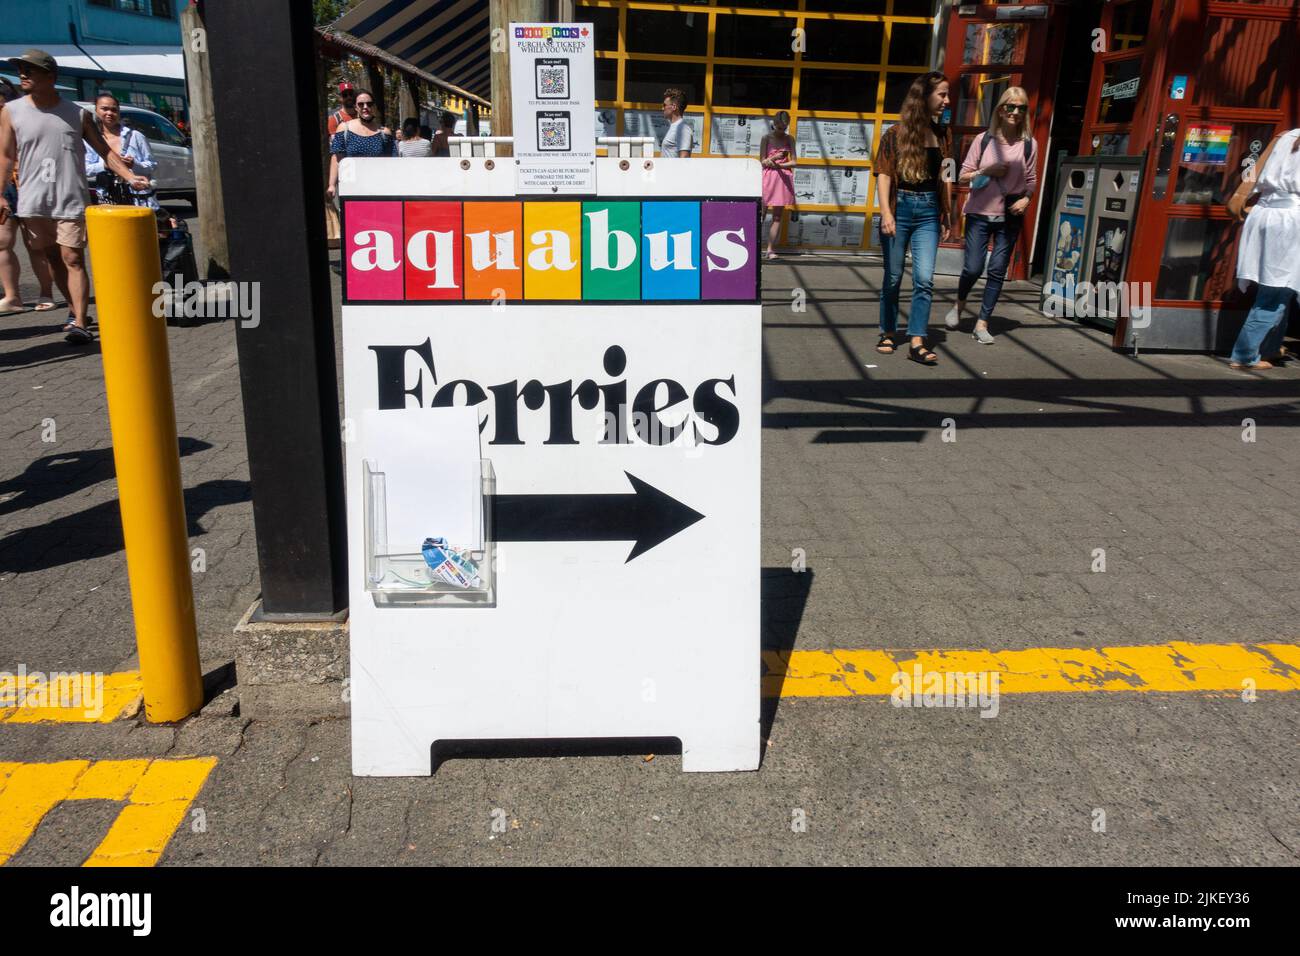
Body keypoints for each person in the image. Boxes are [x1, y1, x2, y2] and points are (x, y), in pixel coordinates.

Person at [0, 50, 147, 344]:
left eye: (31, 70)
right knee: (53, 256)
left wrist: (130, 177)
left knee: (73, 257)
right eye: (21, 69)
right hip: (33, 200)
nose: (23, 75)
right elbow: (5, 156)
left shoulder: (77, 113)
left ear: (51, 76)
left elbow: (105, 151)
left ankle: (80, 322)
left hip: (70, 198)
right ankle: (73, 310)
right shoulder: (11, 111)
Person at [946, 86, 1038, 344]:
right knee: (973, 267)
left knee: (997, 269)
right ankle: (959, 305)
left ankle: (982, 323)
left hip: (1010, 213)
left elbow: (1031, 178)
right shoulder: (983, 140)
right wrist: (987, 170)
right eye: (1011, 106)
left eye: (1021, 108)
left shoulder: (1030, 144)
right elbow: (963, 174)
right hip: (980, 212)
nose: (1016, 112)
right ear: (1001, 108)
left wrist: (1026, 199)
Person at [873, 71, 953, 365]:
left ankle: (917, 340)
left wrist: (948, 214)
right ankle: (889, 331)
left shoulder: (944, 134)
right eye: (942, 94)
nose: (947, 100)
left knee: (924, 279)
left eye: (947, 94)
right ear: (924, 96)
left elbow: (947, 176)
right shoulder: (895, 134)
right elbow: (883, 174)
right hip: (901, 207)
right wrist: (886, 213)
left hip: (929, 212)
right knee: (893, 278)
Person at [1225, 127, 1300, 370]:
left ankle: (1269, 348)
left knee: (1283, 286)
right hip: (1291, 220)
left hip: (1266, 215)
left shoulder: (1285, 135)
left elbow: (1255, 177)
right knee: (1276, 290)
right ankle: (1244, 355)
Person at [84, 92, 159, 209]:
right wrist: (105, 165)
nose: (109, 113)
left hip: (138, 199)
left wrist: (134, 164)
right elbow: (86, 169)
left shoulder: (135, 136)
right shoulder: (92, 139)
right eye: (104, 109)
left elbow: (152, 165)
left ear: (118, 112)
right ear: (96, 110)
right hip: (107, 200)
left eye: (114, 110)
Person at [325, 90, 395, 201]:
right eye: (361, 104)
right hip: (351, 188)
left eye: (369, 104)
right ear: (355, 107)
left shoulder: (384, 132)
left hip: (378, 188)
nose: (365, 107)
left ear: (374, 106)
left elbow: (392, 162)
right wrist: (332, 185)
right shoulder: (344, 128)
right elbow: (336, 158)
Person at [760, 111, 796, 259]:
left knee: (777, 217)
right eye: (779, 127)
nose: (782, 131)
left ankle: (770, 249)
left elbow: (795, 161)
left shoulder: (790, 139)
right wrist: (775, 157)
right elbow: (762, 161)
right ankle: (754, 246)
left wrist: (781, 165)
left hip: (782, 177)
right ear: (774, 124)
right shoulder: (766, 138)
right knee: (761, 214)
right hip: (768, 177)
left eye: (784, 128)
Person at [660, 88, 693, 158]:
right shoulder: (675, 126)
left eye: (664, 105)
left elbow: (684, 159)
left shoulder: (683, 129)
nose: (662, 108)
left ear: (674, 107)